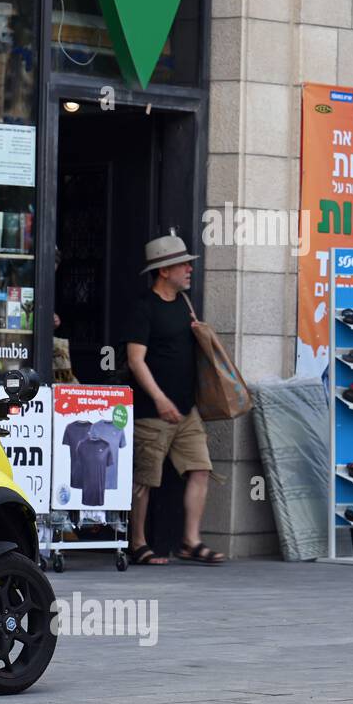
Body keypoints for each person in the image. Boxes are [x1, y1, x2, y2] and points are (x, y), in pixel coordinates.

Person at [123, 233, 225, 566]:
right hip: (153, 411)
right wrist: (159, 398)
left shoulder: (185, 304)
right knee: (145, 479)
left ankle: (190, 541)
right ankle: (138, 543)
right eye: (182, 264)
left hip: (187, 409)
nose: (189, 269)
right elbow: (135, 360)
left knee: (200, 469)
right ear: (164, 270)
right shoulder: (144, 308)